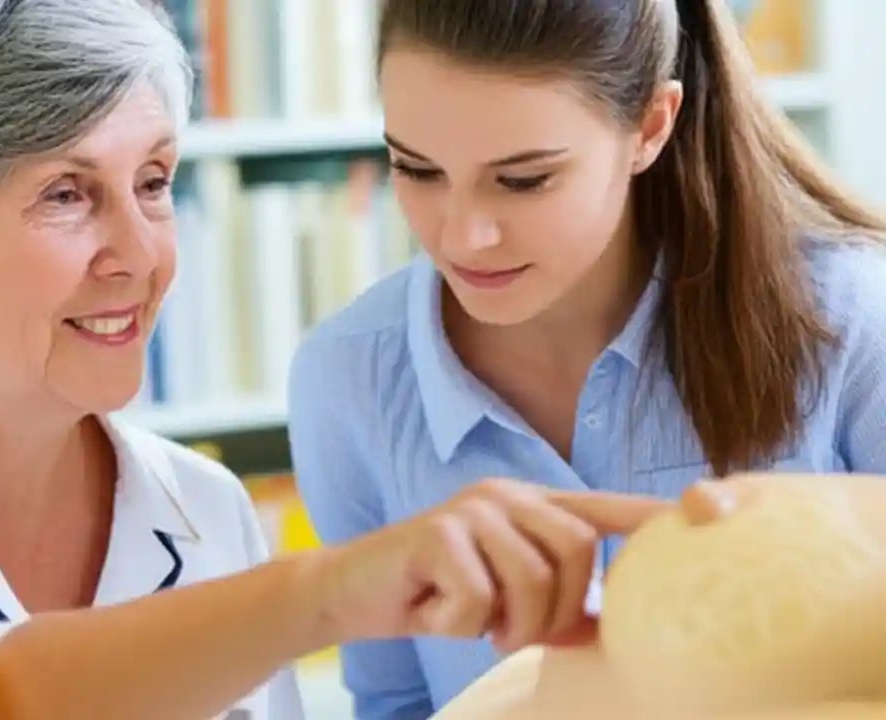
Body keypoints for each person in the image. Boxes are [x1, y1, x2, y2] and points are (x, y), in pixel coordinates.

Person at [0, 2, 668, 719]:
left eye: (155, 182)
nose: (139, 255)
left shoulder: (201, 509)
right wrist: (327, 594)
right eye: (66, 195)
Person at [287, 0, 886, 717]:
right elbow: (399, 706)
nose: (465, 235)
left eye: (523, 179)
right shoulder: (347, 380)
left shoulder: (847, 315)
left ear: (651, 127)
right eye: (417, 170)